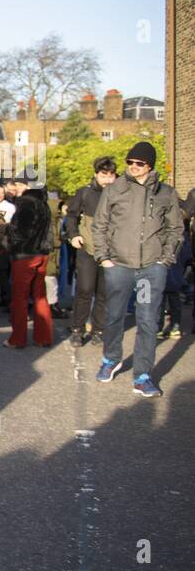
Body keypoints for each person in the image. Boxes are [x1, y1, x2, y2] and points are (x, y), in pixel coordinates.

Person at [93, 142, 184, 397]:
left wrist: (165, 260)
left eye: (139, 163)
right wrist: (103, 258)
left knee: (147, 320)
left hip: (150, 270)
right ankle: (111, 359)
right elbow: (99, 225)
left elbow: (175, 230)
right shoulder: (114, 190)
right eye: (130, 162)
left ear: (150, 166)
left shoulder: (165, 193)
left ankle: (142, 375)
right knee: (113, 316)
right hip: (119, 266)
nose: (133, 167)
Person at [64, 157, 117, 346]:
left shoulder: (120, 193)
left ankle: (98, 329)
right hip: (88, 248)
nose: (108, 179)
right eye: (104, 175)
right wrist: (73, 235)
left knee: (104, 293)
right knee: (84, 290)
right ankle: (77, 329)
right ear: (96, 174)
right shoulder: (84, 193)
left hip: (111, 251)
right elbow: (71, 216)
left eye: (111, 175)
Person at [5, 188, 54, 349]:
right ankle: (43, 337)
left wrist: (11, 241)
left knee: (20, 298)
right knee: (40, 296)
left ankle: (17, 339)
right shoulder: (44, 206)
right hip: (42, 254)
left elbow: (18, 231)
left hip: (25, 255)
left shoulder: (26, 205)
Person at [158, 223, 191, 340]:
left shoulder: (158, 234)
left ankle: (158, 328)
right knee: (175, 302)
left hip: (161, 273)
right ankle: (175, 327)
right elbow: (187, 255)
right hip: (175, 273)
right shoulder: (181, 237)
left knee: (159, 303)